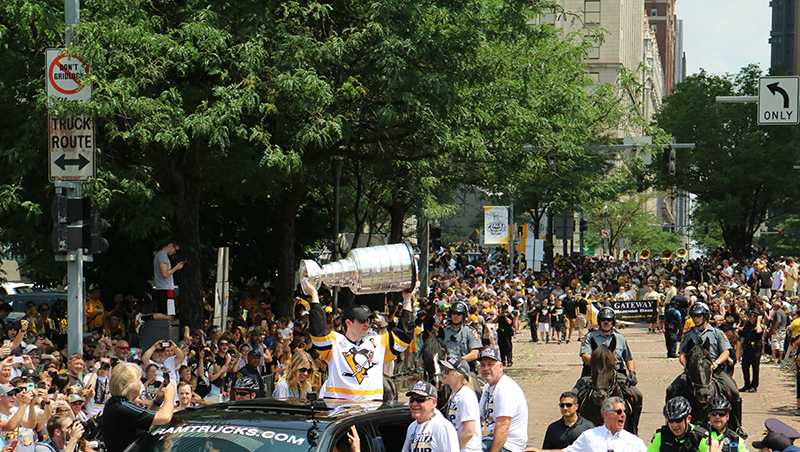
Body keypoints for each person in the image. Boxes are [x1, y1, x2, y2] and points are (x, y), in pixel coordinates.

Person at [305, 278, 413, 401]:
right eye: (362, 321)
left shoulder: (378, 342)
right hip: (340, 411)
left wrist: (407, 299)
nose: (367, 324)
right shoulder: (335, 341)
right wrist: (314, 294)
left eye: (369, 320)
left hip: (368, 413)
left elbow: (404, 336)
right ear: (348, 323)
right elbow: (318, 331)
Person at [669, 302, 742, 432]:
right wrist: (688, 366)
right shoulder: (688, 334)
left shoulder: (717, 333)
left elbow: (726, 352)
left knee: (734, 393)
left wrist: (716, 363)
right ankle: (669, 423)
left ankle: (737, 426)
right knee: (671, 390)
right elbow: (682, 354)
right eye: (694, 316)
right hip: (693, 370)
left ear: (706, 316)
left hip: (714, 369)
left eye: (698, 315)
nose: (695, 318)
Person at [579, 307, 643, 432]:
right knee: (573, 396)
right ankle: (574, 428)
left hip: (617, 372)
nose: (606, 322)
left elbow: (628, 358)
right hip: (594, 372)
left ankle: (633, 429)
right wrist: (599, 361)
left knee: (637, 395)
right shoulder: (590, 336)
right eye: (603, 320)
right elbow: (584, 355)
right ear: (599, 321)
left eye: (608, 320)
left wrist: (632, 373)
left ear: (613, 321)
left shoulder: (620, 338)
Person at [101, 362, 177, 452]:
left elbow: (147, 420)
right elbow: (164, 417)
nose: (140, 384)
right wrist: (171, 395)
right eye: (138, 380)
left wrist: (158, 401)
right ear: (131, 385)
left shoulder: (115, 403)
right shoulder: (122, 406)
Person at [528, 397, 646, 452]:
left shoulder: (635, 442)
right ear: (605, 414)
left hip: (618, 374)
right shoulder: (590, 436)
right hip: (590, 373)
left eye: (624, 412)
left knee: (635, 394)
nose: (623, 415)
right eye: (619, 412)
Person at [478, 347, 528, 452]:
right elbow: (480, 418)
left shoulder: (505, 388)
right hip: (488, 438)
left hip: (508, 445)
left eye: (490, 364)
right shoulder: (488, 387)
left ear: (500, 367)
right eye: (483, 365)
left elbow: (503, 426)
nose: (486, 368)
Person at [401, 380, 459, 452]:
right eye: (412, 399)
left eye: (420, 399)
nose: (414, 403)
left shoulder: (443, 427)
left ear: (434, 403)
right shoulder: (412, 427)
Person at [440, 357, 481, 452]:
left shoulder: (466, 396)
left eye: (447, 371)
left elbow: (469, 431)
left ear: (458, 375)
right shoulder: (455, 394)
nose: (443, 373)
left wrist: (453, 449)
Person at [150, 240, 185, 321]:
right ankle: (143, 318)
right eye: (175, 250)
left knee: (169, 315)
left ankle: (144, 318)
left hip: (165, 289)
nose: (175, 252)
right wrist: (176, 267)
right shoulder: (162, 256)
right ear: (170, 245)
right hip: (165, 290)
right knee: (169, 315)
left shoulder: (160, 255)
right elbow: (165, 274)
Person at [737, 310, 762, 393]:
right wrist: (739, 353)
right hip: (747, 349)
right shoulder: (747, 324)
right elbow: (742, 337)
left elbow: (759, 331)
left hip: (756, 349)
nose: (751, 318)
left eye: (753, 316)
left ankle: (754, 386)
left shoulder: (759, 325)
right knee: (744, 367)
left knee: (755, 368)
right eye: (750, 316)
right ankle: (747, 384)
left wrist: (758, 321)